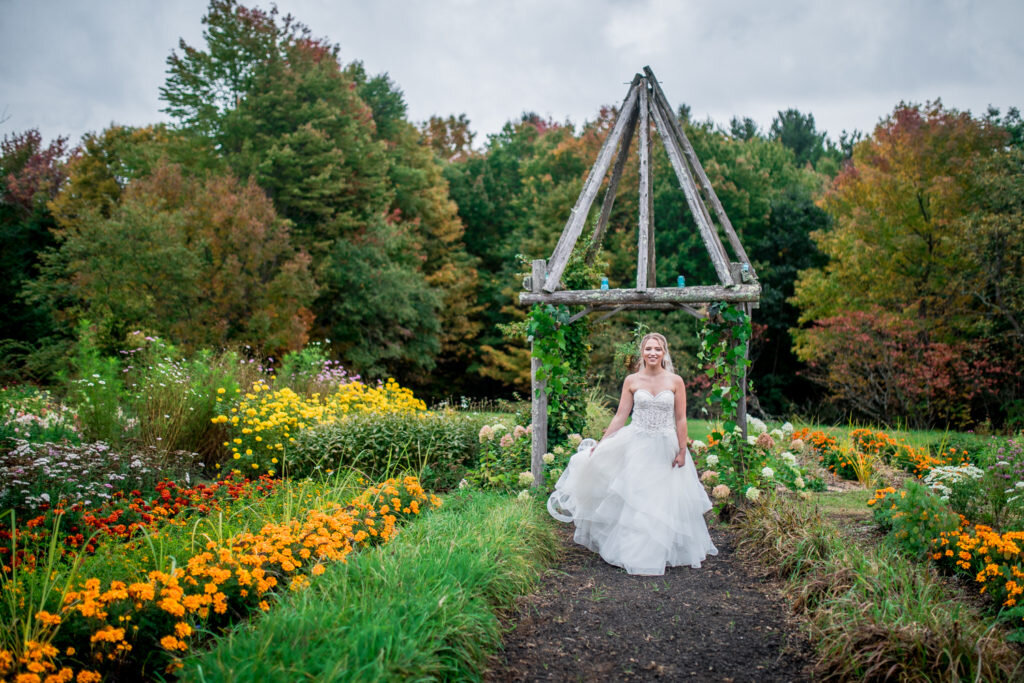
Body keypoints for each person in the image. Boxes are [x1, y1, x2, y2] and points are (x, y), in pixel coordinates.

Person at [547, 332, 718, 575]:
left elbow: (680, 418)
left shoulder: (675, 381)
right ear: (642, 352)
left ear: (664, 352)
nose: (652, 353)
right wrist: (602, 443)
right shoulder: (632, 380)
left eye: (657, 349)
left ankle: (662, 550)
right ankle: (633, 551)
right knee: (637, 496)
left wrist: (682, 450)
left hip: (665, 446)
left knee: (662, 498)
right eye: (648, 348)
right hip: (637, 443)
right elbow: (620, 416)